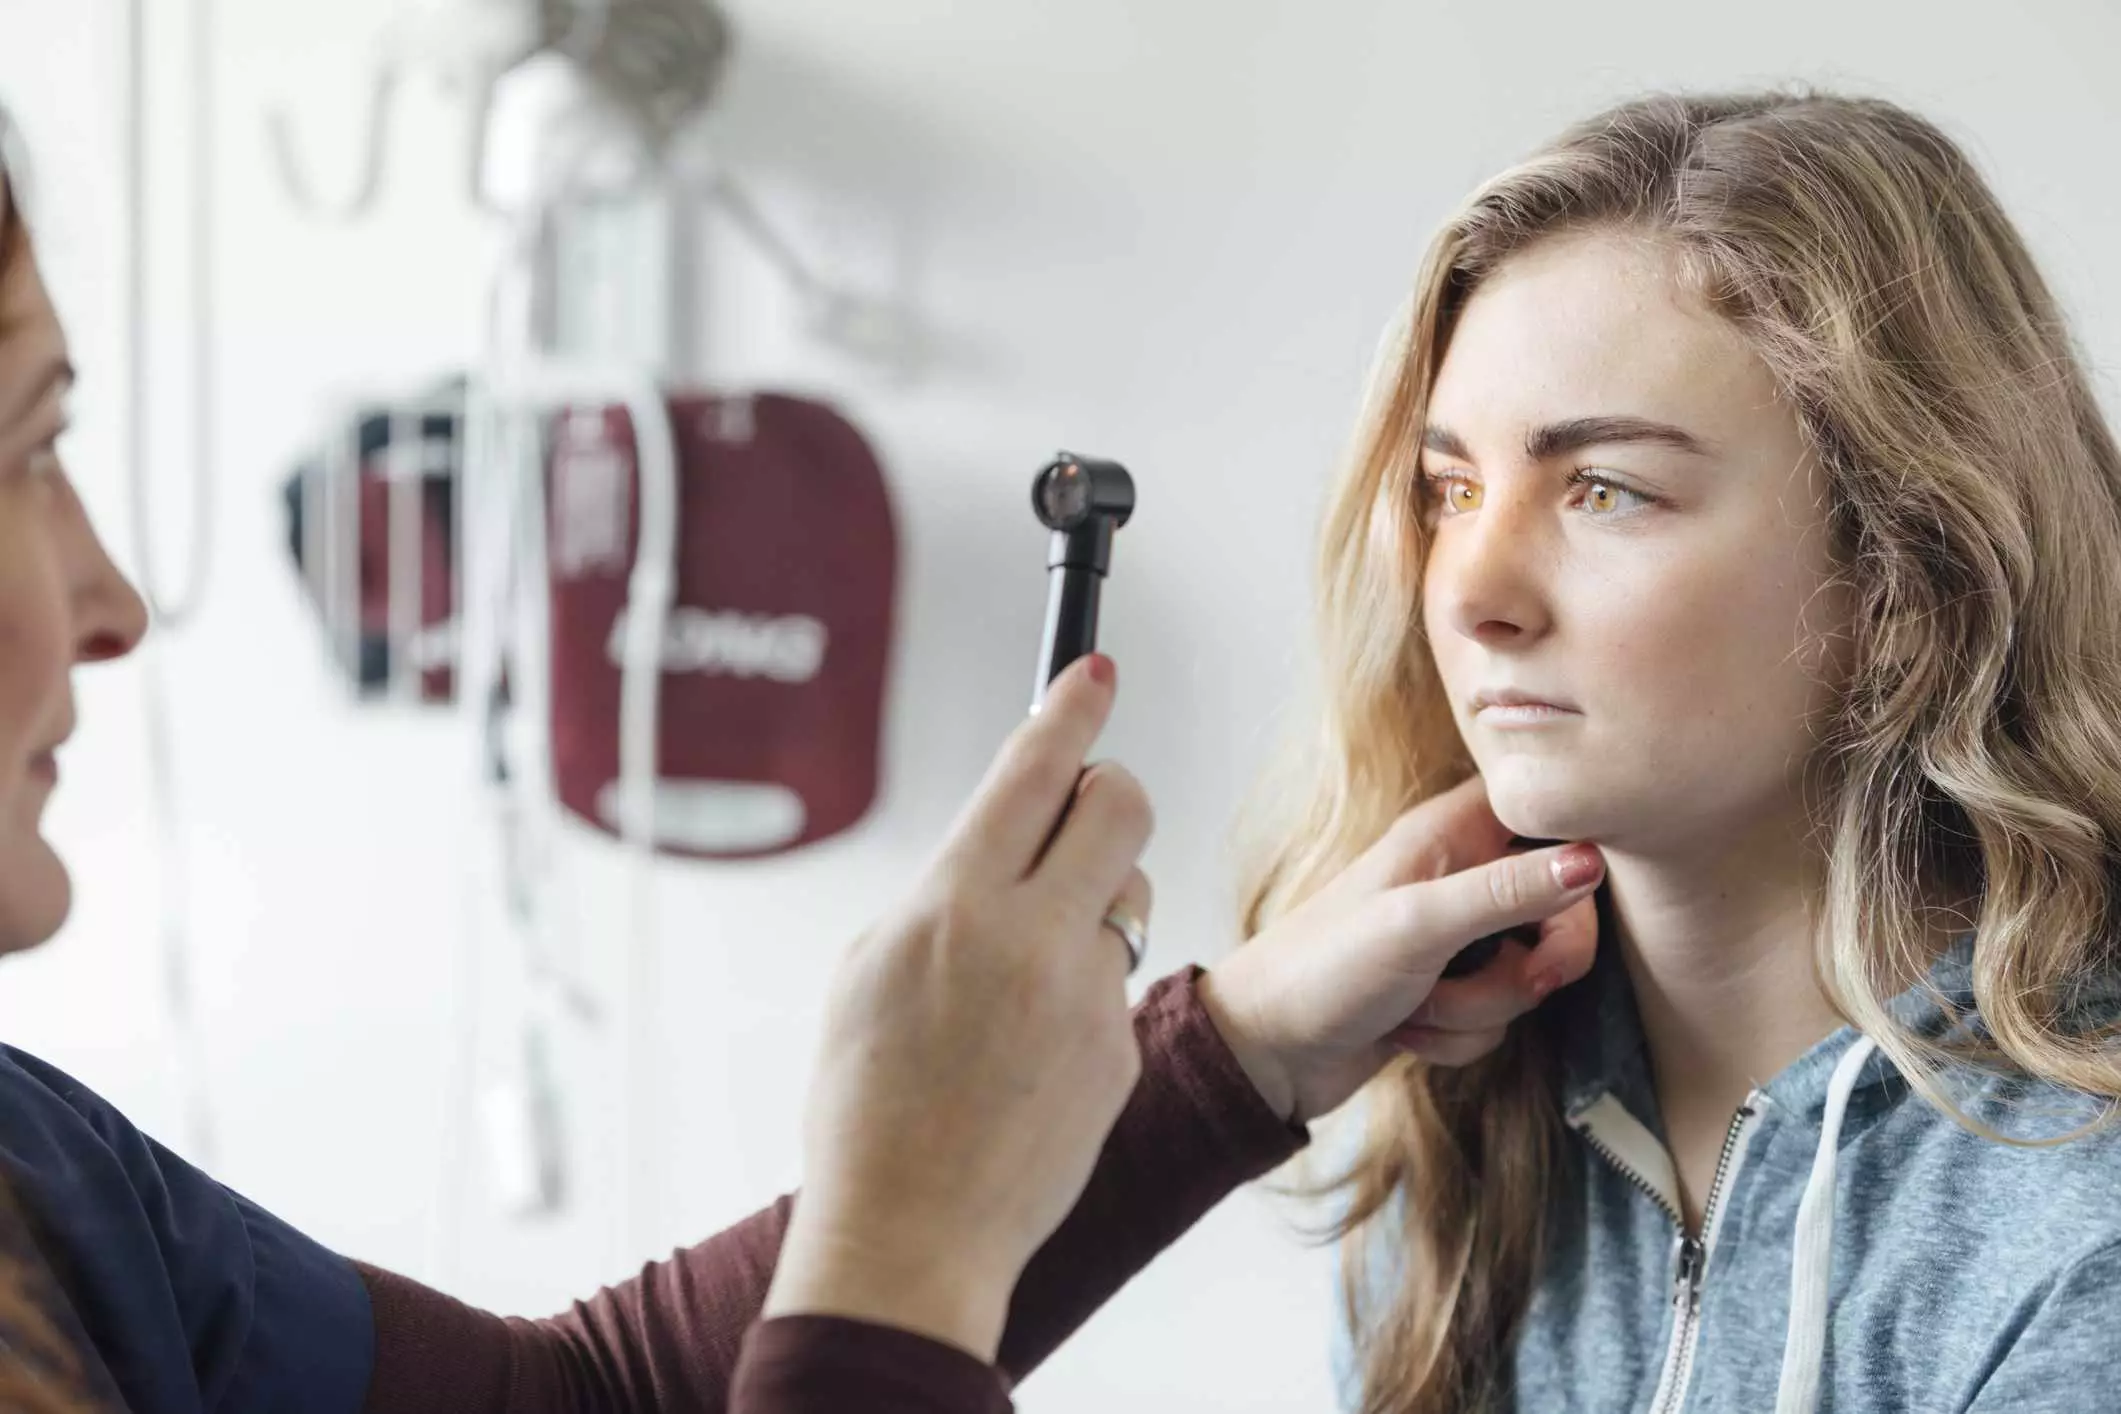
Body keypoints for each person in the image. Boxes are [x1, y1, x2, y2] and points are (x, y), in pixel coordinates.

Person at [0, 115, 1610, 1412]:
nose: (115, 601)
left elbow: (580, 1402)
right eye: (23, 447)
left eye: (1613, 489)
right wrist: (903, 1232)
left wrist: (1235, 1050)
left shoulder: (34, 1167)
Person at [1244, 89, 2121, 1414]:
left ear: (1903, 580)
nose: (1471, 590)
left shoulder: (2082, 1224)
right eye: (1451, 490)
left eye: (1605, 489)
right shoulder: (1459, 1126)